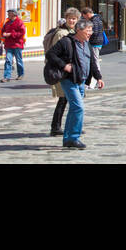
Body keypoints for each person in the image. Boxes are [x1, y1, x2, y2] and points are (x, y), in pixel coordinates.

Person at [46, 15, 103, 149]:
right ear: (79, 30)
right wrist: (63, 65)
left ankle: (68, 139)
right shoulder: (67, 42)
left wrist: (98, 77)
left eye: (91, 30)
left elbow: (92, 62)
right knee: (78, 107)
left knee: (74, 109)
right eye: (88, 30)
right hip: (69, 80)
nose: (91, 33)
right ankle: (73, 137)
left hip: (81, 81)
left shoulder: (86, 44)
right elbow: (51, 54)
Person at [44, 9, 80, 136]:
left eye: (74, 19)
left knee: (66, 99)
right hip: (61, 71)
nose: (72, 20)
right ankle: (57, 127)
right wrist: (64, 65)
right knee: (64, 98)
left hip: (68, 71)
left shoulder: (72, 32)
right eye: (70, 18)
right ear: (66, 18)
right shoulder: (62, 34)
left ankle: (64, 126)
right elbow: (54, 54)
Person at [0, 9, 26, 81]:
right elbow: (3, 30)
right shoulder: (7, 23)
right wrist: (4, 34)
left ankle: (20, 74)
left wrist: (11, 34)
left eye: (9, 14)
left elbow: (22, 33)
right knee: (8, 60)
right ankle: (7, 76)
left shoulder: (19, 22)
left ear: (14, 14)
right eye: (8, 13)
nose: (8, 15)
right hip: (8, 44)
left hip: (17, 44)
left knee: (19, 60)